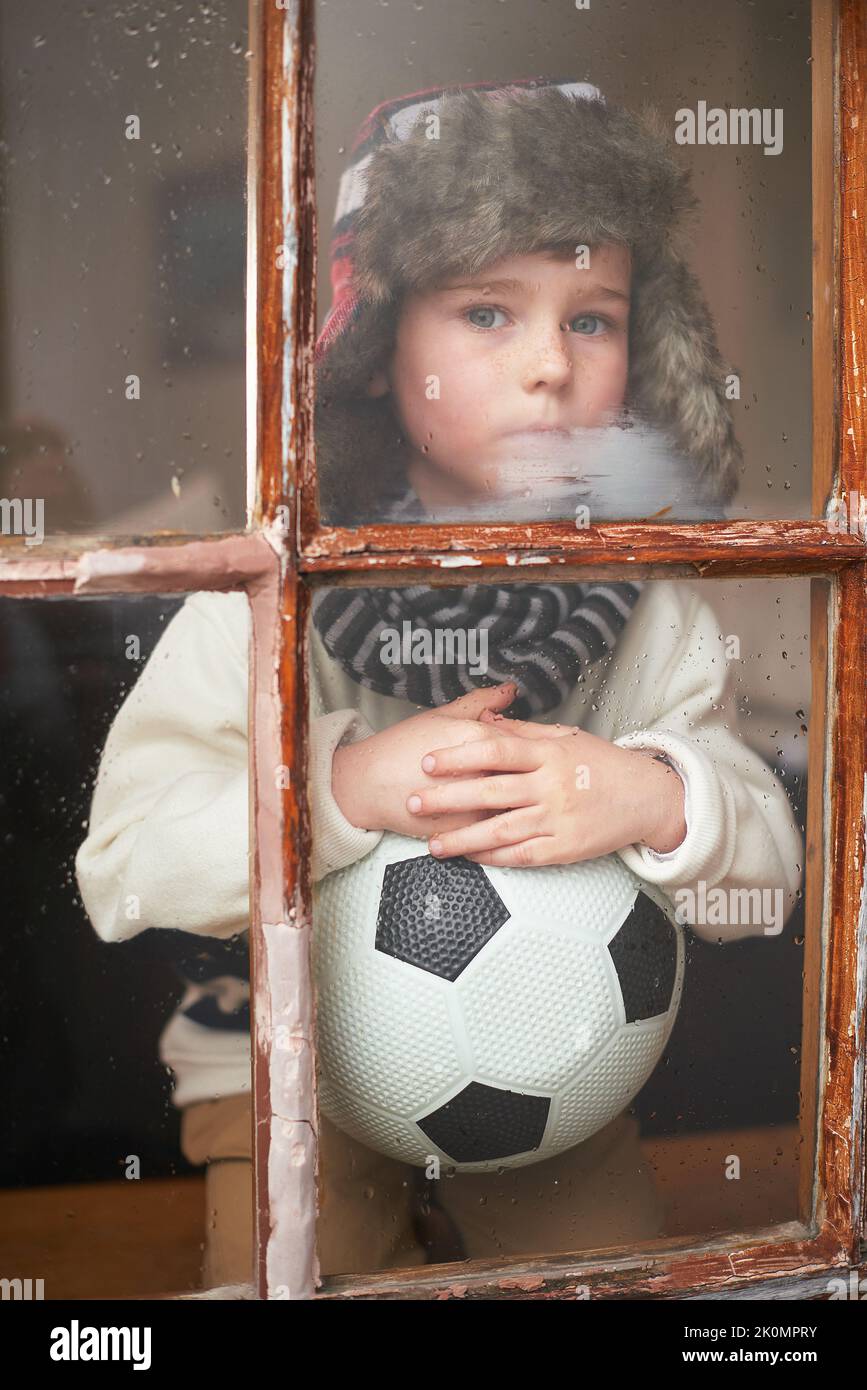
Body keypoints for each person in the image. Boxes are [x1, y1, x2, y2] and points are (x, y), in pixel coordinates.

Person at [75, 78, 804, 1285]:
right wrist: (343, 789)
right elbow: (122, 867)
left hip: (557, 1067)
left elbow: (769, 866)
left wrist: (655, 791)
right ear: (374, 345)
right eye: (485, 312)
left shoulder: (651, 604)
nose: (546, 370)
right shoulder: (270, 592)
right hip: (284, 1079)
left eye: (593, 318)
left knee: (622, 1281)